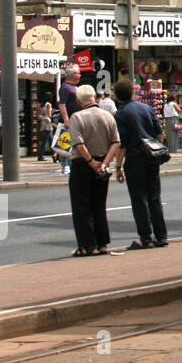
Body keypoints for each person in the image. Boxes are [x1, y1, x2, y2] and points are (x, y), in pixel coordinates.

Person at [113, 78, 167, 250]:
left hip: (134, 159)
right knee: (154, 197)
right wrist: (156, 148)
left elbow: (121, 143)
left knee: (139, 200)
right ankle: (162, 236)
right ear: (133, 92)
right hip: (151, 158)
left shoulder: (120, 114)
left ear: (117, 96)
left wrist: (118, 167)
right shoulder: (147, 108)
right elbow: (159, 133)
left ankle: (146, 238)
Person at [66, 84, 120, 257]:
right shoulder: (108, 116)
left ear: (78, 100)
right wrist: (104, 163)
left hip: (83, 165)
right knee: (99, 205)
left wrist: (91, 162)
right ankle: (102, 243)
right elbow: (116, 142)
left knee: (82, 206)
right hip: (103, 162)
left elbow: (78, 144)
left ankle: (87, 245)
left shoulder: (77, 117)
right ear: (95, 98)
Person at [58, 65, 82, 175]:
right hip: (68, 120)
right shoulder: (65, 87)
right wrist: (66, 119)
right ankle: (65, 165)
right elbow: (62, 104)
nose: (80, 75)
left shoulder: (74, 87)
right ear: (73, 75)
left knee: (74, 143)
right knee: (65, 142)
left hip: (76, 119)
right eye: (78, 73)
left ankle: (71, 164)